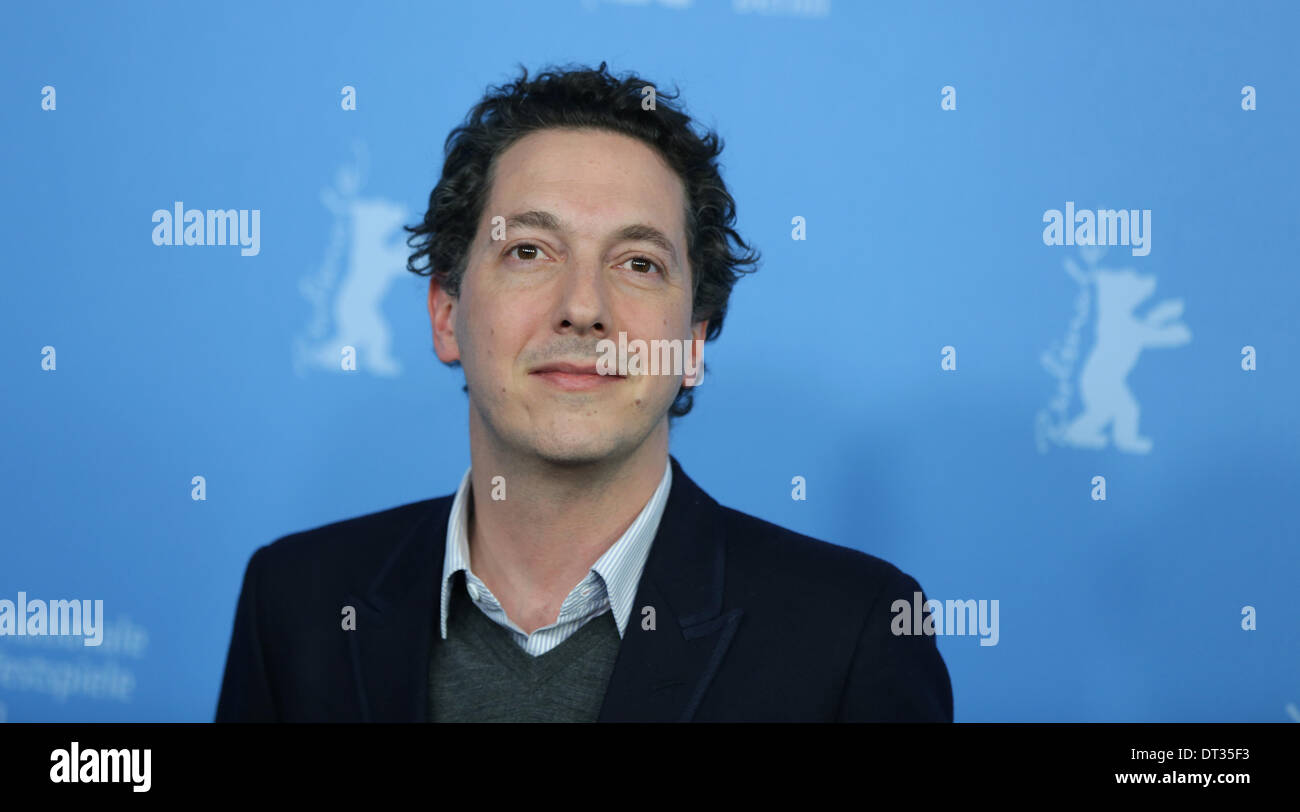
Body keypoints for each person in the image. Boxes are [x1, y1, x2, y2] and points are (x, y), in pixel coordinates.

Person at [216, 62, 952, 722]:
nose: (582, 306)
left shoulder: (855, 633)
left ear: (693, 341)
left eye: (637, 263)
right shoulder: (297, 601)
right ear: (446, 314)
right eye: (529, 250)